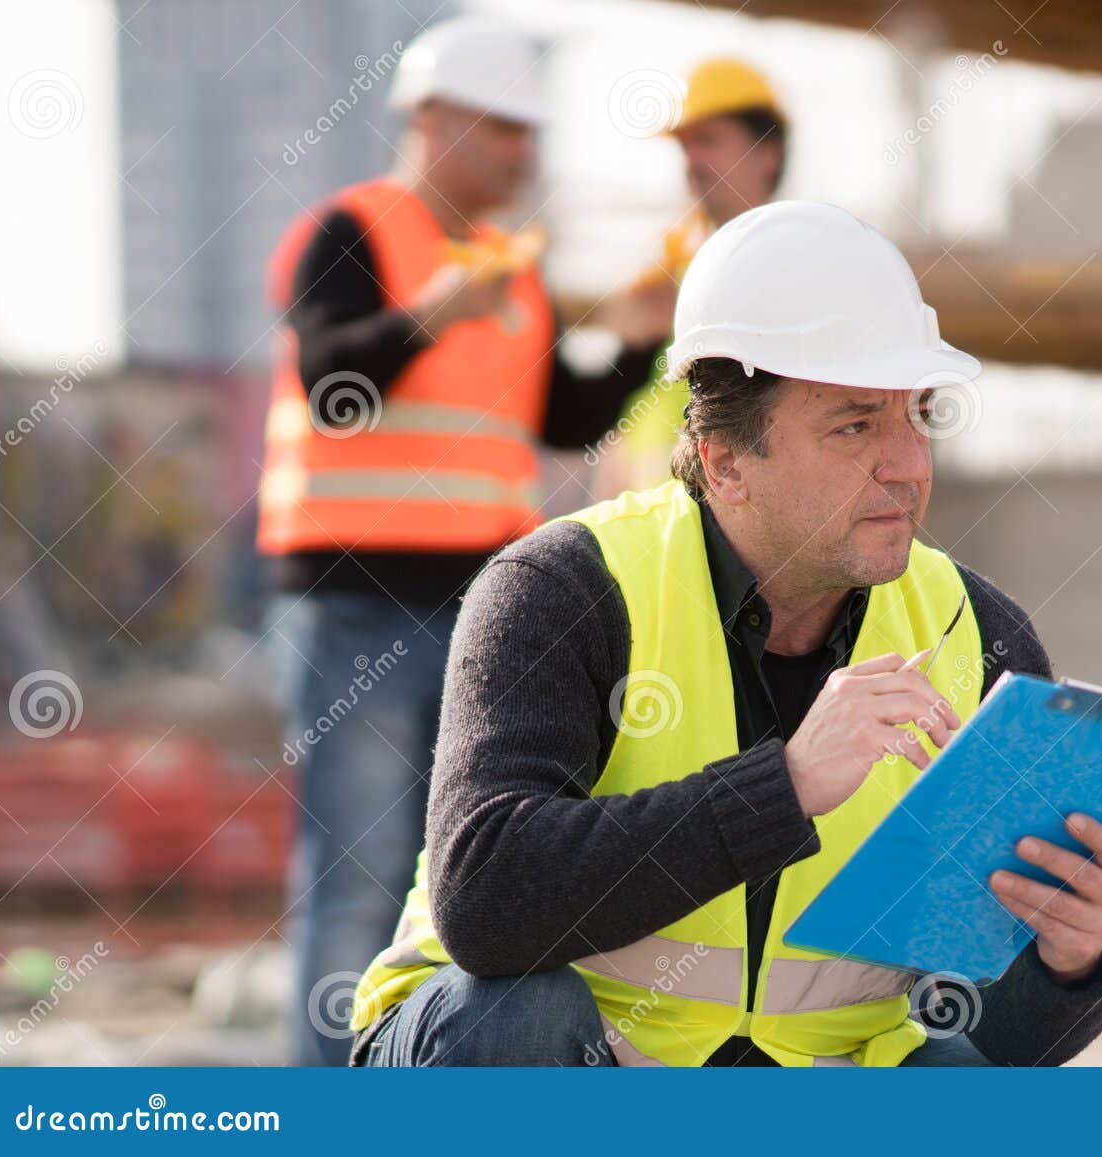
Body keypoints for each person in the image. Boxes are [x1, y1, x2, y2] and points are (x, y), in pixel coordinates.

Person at [348, 201, 1102, 1067]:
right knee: (516, 1014)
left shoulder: (975, 634)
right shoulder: (563, 590)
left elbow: (990, 1037)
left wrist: (1073, 961)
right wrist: (786, 785)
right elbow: (486, 904)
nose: (908, 463)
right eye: (854, 423)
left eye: (917, 414)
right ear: (725, 457)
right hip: (583, 1068)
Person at [257, 17, 656, 1065]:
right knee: (356, 873)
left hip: (483, 613)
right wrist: (433, 313)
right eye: (502, 129)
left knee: (464, 874)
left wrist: (641, 335)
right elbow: (329, 385)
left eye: (530, 134)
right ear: (430, 121)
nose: (523, 154)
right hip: (356, 605)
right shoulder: (352, 233)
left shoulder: (511, 275)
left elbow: (561, 418)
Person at [590, 58, 788, 499]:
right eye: (686, 145)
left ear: (768, 152)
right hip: (652, 523)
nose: (692, 159)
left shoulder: (794, 268)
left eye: (709, 140)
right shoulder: (670, 270)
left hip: (737, 523)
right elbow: (635, 412)